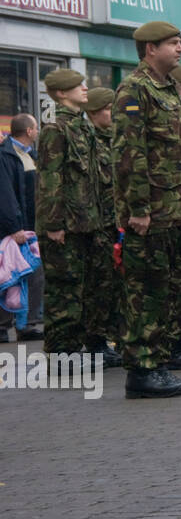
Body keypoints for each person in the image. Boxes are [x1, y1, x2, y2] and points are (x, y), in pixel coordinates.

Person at [113, 21, 181, 398]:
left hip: (176, 212)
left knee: (165, 292)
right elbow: (129, 153)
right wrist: (139, 208)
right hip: (152, 214)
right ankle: (142, 370)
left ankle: (158, 365)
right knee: (145, 291)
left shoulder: (167, 91)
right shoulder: (134, 90)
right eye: (173, 43)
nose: (180, 49)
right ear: (151, 48)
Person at [35, 68, 107, 359]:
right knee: (64, 293)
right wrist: (53, 224)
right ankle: (61, 355)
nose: (85, 89)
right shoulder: (55, 129)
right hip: (63, 226)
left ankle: (77, 350)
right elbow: (50, 180)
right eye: (78, 86)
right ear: (62, 93)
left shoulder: (82, 127)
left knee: (83, 291)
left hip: (85, 223)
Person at [85, 87, 124, 361]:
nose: (114, 115)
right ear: (95, 112)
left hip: (118, 223)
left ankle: (114, 339)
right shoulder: (90, 142)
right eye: (109, 109)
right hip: (99, 225)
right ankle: (96, 342)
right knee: (99, 286)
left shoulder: (116, 140)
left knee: (117, 287)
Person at [1, 114, 41, 340]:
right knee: (7, 275)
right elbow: (6, 195)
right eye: (35, 128)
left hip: (30, 227)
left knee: (33, 274)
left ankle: (27, 325)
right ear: (28, 131)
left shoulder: (30, 155)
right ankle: (3, 325)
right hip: (12, 229)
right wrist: (14, 226)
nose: (37, 132)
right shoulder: (5, 156)